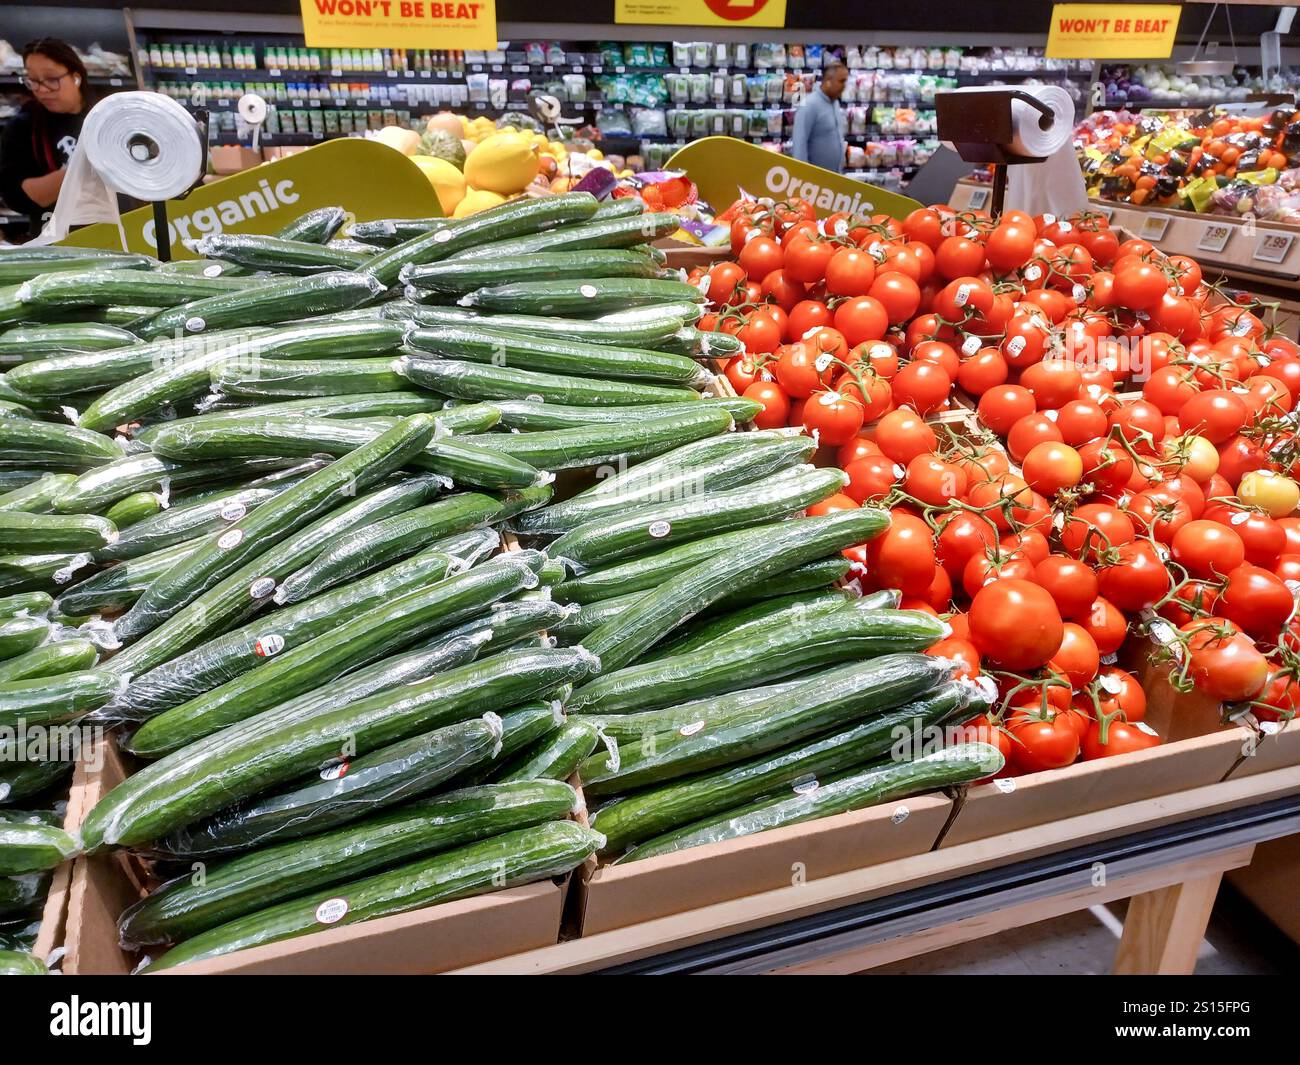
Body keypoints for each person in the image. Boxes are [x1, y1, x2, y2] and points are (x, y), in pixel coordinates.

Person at [0, 38, 93, 233]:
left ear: (76, 77)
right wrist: (80, 169)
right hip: (54, 239)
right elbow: (16, 196)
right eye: (33, 81)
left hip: (119, 234)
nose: (42, 90)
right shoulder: (23, 126)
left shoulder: (107, 116)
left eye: (52, 79)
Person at [790, 62, 847, 174]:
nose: (844, 86)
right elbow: (799, 146)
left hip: (834, 179)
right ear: (828, 81)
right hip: (814, 184)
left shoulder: (835, 103)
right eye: (841, 81)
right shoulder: (809, 105)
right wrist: (804, 178)